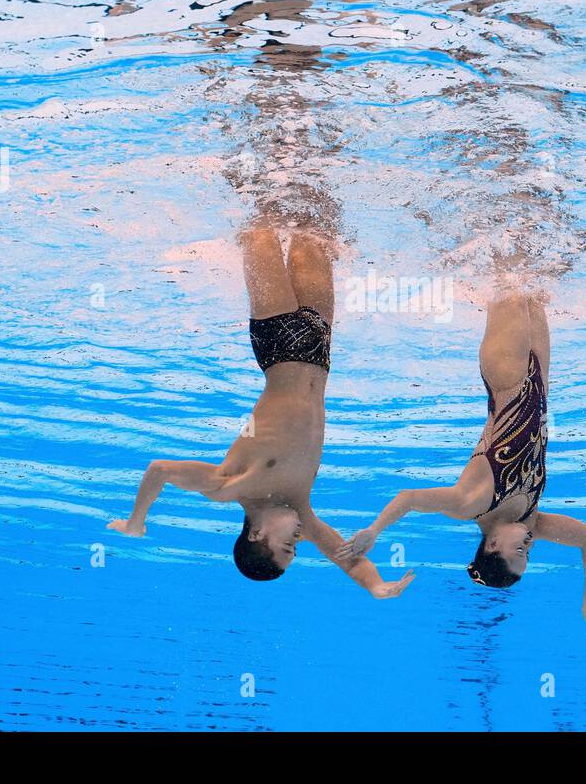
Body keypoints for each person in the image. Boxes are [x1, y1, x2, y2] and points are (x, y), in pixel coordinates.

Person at [107, 217, 415, 599]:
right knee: (312, 223)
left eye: (287, 546)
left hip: (278, 342)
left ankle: (252, 165)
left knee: (260, 224)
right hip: (319, 347)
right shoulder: (299, 507)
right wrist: (376, 586)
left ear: (256, 534)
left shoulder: (228, 486)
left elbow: (160, 470)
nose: (299, 540)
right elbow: (345, 556)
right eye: (297, 549)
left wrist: (136, 522)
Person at [338, 290, 586, 638]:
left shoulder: (471, 504)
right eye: (529, 553)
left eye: (520, 551)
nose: (530, 545)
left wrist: (375, 530)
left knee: (509, 281)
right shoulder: (530, 522)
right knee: (535, 285)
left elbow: (409, 498)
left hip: (506, 376)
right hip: (539, 380)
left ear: (493, 545)